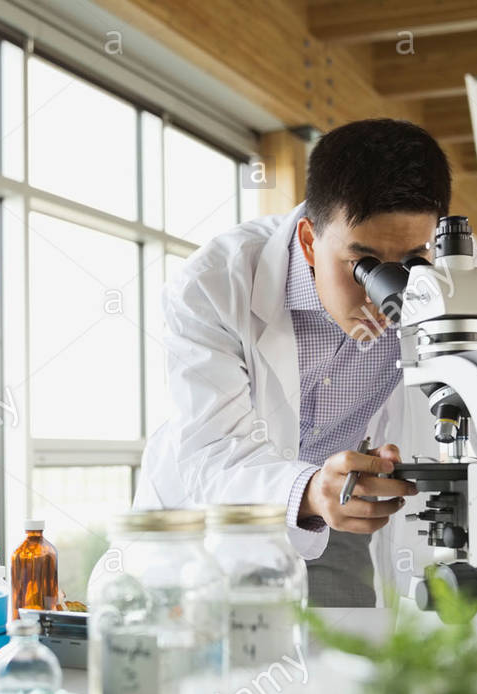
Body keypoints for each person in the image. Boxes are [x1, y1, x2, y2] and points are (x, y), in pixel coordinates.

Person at [135, 118, 458, 606]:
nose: (387, 296)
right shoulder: (214, 284)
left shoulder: (434, 292)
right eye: (364, 264)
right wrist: (308, 490)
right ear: (309, 240)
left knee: (355, 672)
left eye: (413, 259)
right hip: (213, 521)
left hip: (341, 516)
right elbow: (212, 454)